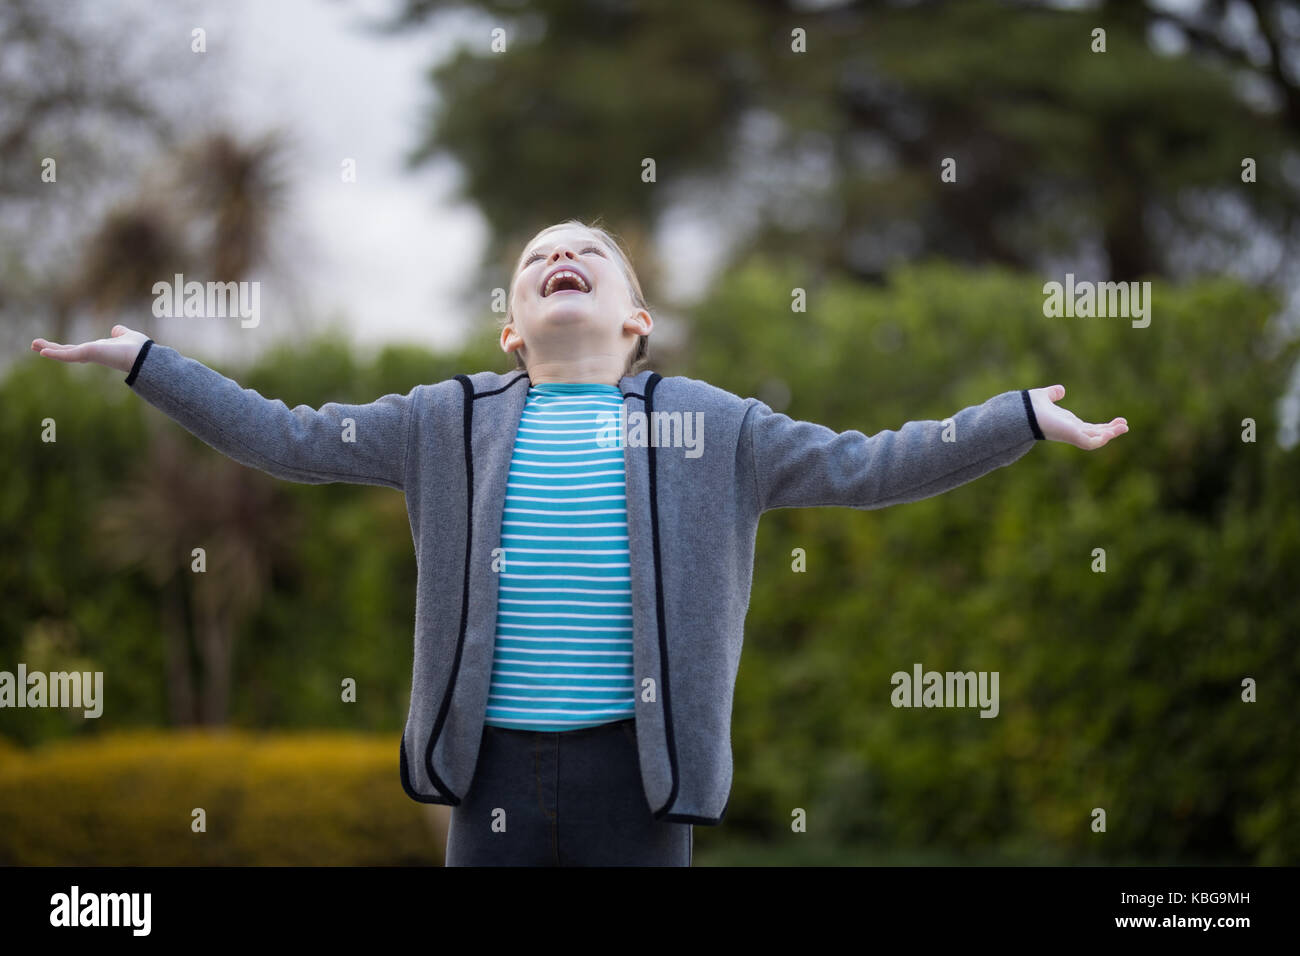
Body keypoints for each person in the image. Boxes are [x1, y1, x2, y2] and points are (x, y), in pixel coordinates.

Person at [30, 218, 1128, 867]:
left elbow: (871, 463)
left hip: (636, 779)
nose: (562, 254)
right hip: (488, 775)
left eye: (588, 252)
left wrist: (1017, 417)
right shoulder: (442, 420)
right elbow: (284, 435)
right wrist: (147, 361)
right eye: (539, 255)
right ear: (511, 326)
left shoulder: (716, 427)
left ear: (635, 319)